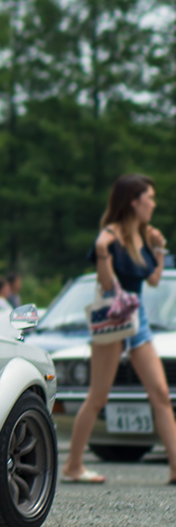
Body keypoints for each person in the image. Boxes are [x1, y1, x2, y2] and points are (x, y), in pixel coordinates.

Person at [64, 174, 176, 485]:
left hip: (137, 321)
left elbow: (152, 280)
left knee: (161, 394)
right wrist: (101, 251)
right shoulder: (109, 236)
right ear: (133, 202)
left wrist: (159, 249)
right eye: (149, 198)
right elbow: (106, 284)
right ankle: (73, 464)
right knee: (98, 396)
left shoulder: (141, 235)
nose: (153, 203)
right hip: (114, 319)